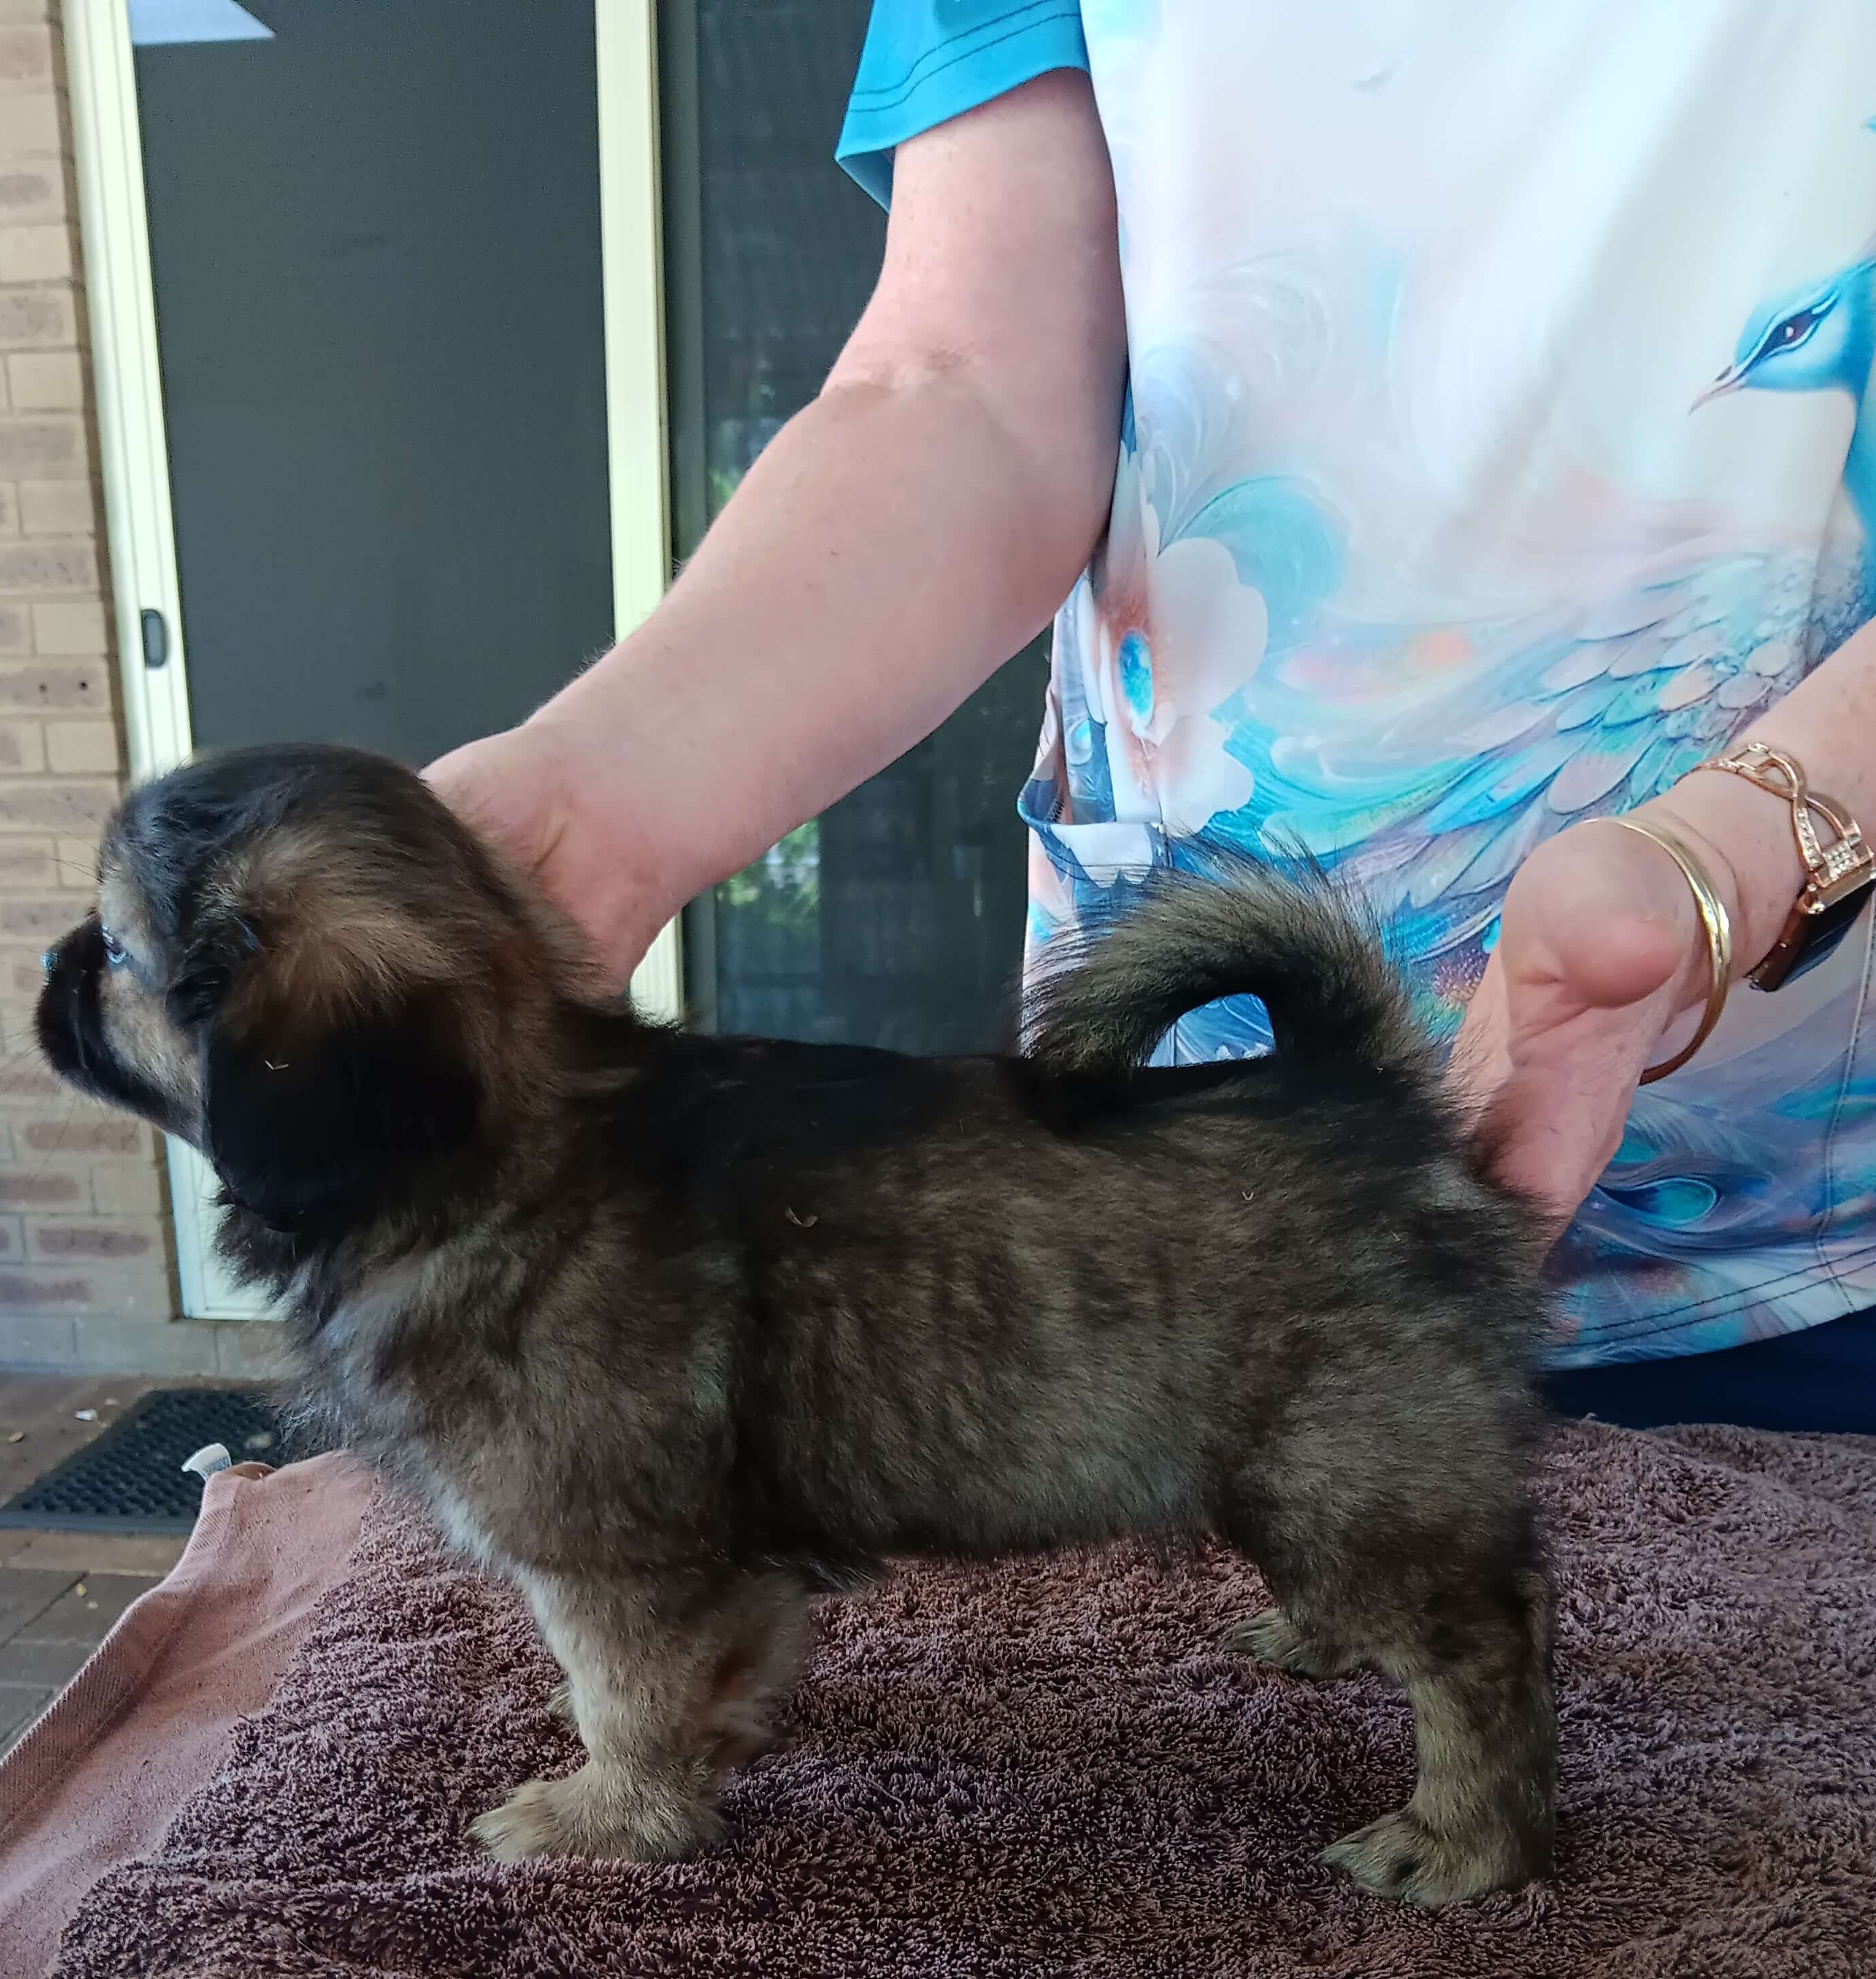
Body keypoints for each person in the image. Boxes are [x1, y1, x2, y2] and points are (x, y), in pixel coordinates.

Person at [429, 0, 1876, 1433]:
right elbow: (972, 386)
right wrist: (602, 795)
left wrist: (1738, 854)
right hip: (1183, 1218)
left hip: (1798, 1236)